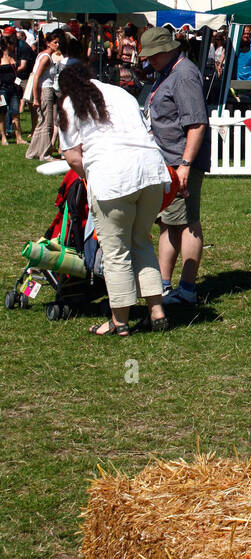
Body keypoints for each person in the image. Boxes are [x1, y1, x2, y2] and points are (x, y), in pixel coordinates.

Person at [56, 61, 170, 336]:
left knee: (116, 251)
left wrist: (91, 175)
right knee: (141, 242)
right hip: (151, 172)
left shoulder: (69, 105)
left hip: (114, 178)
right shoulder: (121, 93)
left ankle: (119, 321)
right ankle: (157, 313)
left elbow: (72, 156)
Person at [139, 26, 210, 306]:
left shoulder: (183, 75)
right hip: (166, 160)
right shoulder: (168, 72)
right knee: (168, 222)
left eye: (153, 55)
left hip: (180, 161)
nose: (149, 61)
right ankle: (165, 284)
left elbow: (196, 123)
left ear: (169, 50)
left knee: (187, 223)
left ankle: (188, 289)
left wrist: (184, 165)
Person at [25, 27, 64, 160]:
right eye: (55, 42)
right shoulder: (46, 57)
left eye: (58, 42)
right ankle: (45, 154)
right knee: (47, 123)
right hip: (45, 90)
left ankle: (33, 152)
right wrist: (36, 97)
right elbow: (36, 77)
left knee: (43, 122)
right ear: (48, 43)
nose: (57, 45)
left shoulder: (42, 55)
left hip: (46, 90)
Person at [0, 34, 25, 144]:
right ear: (7, 44)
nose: (14, 45)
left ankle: (19, 138)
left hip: (13, 88)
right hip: (2, 89)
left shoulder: (13, 55)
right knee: (2, 113)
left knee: (15, 112)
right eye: (12, 43)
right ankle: (4, 137)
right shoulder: (0, 56)